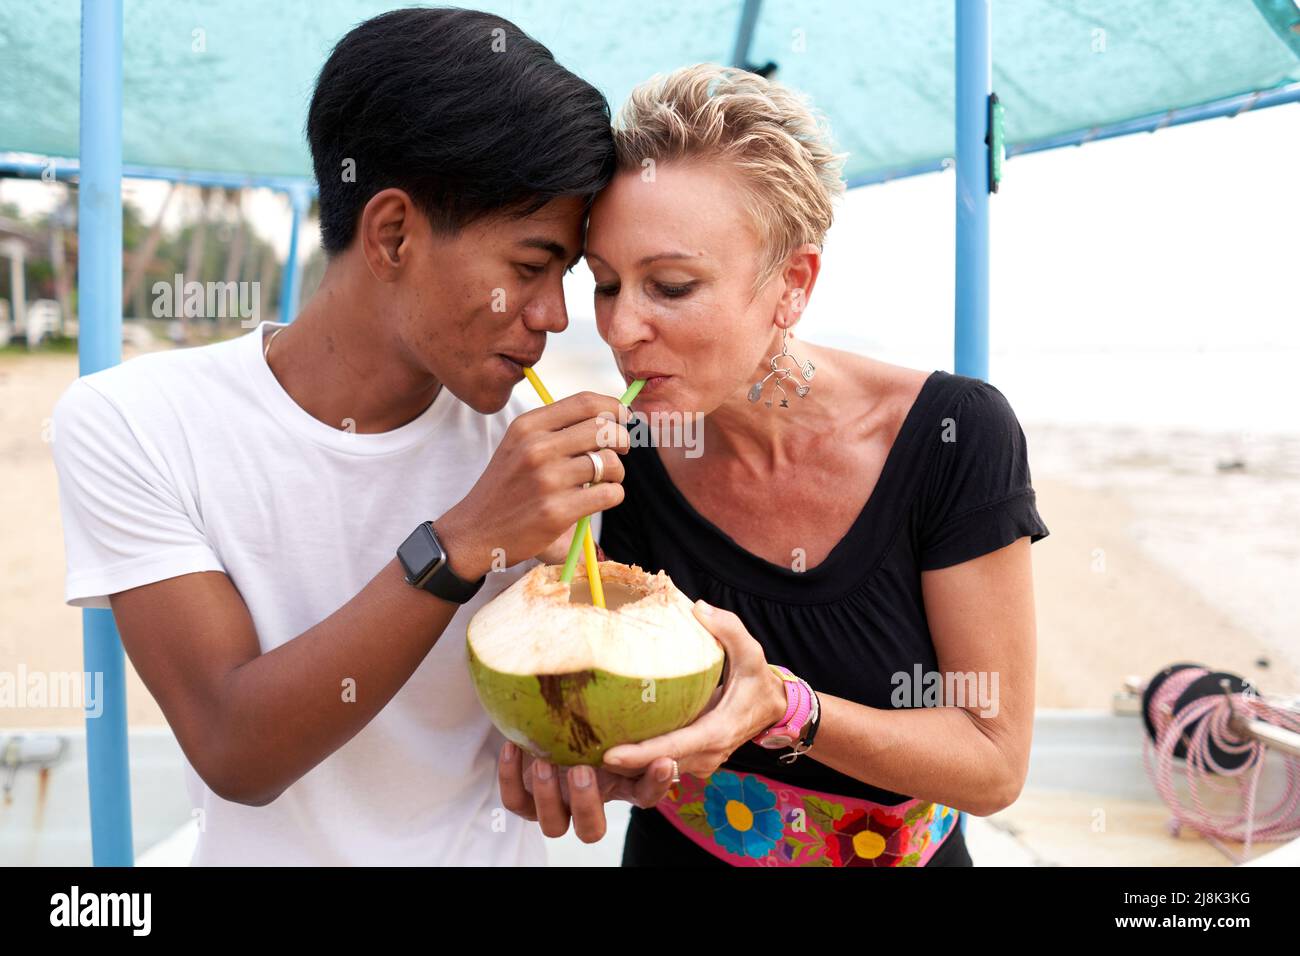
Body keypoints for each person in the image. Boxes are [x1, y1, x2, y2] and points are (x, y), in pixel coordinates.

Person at [50, 7, 673, 866]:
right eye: (528, 269)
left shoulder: (533, 449)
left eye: (566, 276)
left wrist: (583, 752)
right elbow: (236, 746)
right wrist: (462, 544)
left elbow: (551, 724)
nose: (553, 317)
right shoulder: (133, 424)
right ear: (392, 234)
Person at [499, 64, 1050, 866]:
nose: (621, 329)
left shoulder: (953, 435)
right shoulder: (623, 461)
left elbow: (993, 762)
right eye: (608, 285)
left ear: (792, 283)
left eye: (672, 286)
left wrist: (784, 708)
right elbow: (602, 717)